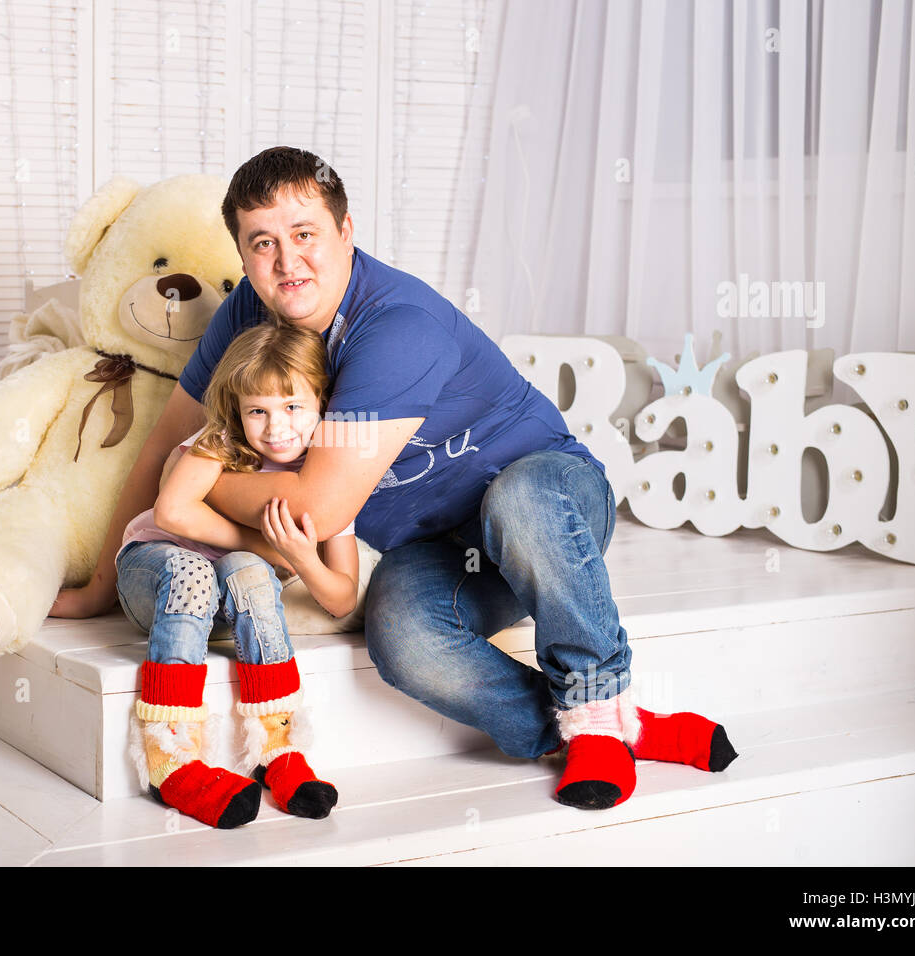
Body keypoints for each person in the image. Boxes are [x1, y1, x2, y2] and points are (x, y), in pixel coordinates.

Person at [54, 146, 737, 811]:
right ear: (242, 254)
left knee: (518, 501)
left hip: (549, 502)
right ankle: (610, 730)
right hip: (438, 544)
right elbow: (168, 439)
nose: (287, 261)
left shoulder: (396, 327)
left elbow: (312, 510)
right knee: (403, 638)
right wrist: (97, 589)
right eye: (262, 243)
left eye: (304, 233)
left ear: (346, 232)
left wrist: (193, 483)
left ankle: (593, 707)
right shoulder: (249, 316)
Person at [113, 321, 357, 829]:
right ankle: (170, 753)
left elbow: (341, 599)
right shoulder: (221, 439)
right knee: (193, 566)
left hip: (225, 607)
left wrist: (303, 560)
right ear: (238, 410)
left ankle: (276, 747)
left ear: (323, 403)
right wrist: (268, 545)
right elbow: (172, 515)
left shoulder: (330, 476)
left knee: (248, 573)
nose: (276, 426)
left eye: (294, 407)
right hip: (155, 576)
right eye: (258, 411)